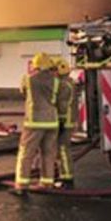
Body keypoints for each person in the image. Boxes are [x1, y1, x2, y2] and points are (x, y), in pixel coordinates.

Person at [12, 52, 60, 196]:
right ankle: (47, 182)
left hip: (34, 121)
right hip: (52, 121)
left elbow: (23, 93)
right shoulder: (56, 81)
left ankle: (21, 184)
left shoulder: (28, 79)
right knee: (48, 153)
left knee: (26, 153)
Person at [53, 57, 77, 188]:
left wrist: (61, 121)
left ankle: (67, 178)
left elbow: (62, 105)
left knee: (62, 149)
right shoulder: (69, 82)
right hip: (68, 120)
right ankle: (63, 175)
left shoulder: (63, 85)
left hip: (65, 121)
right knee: (62, 149)